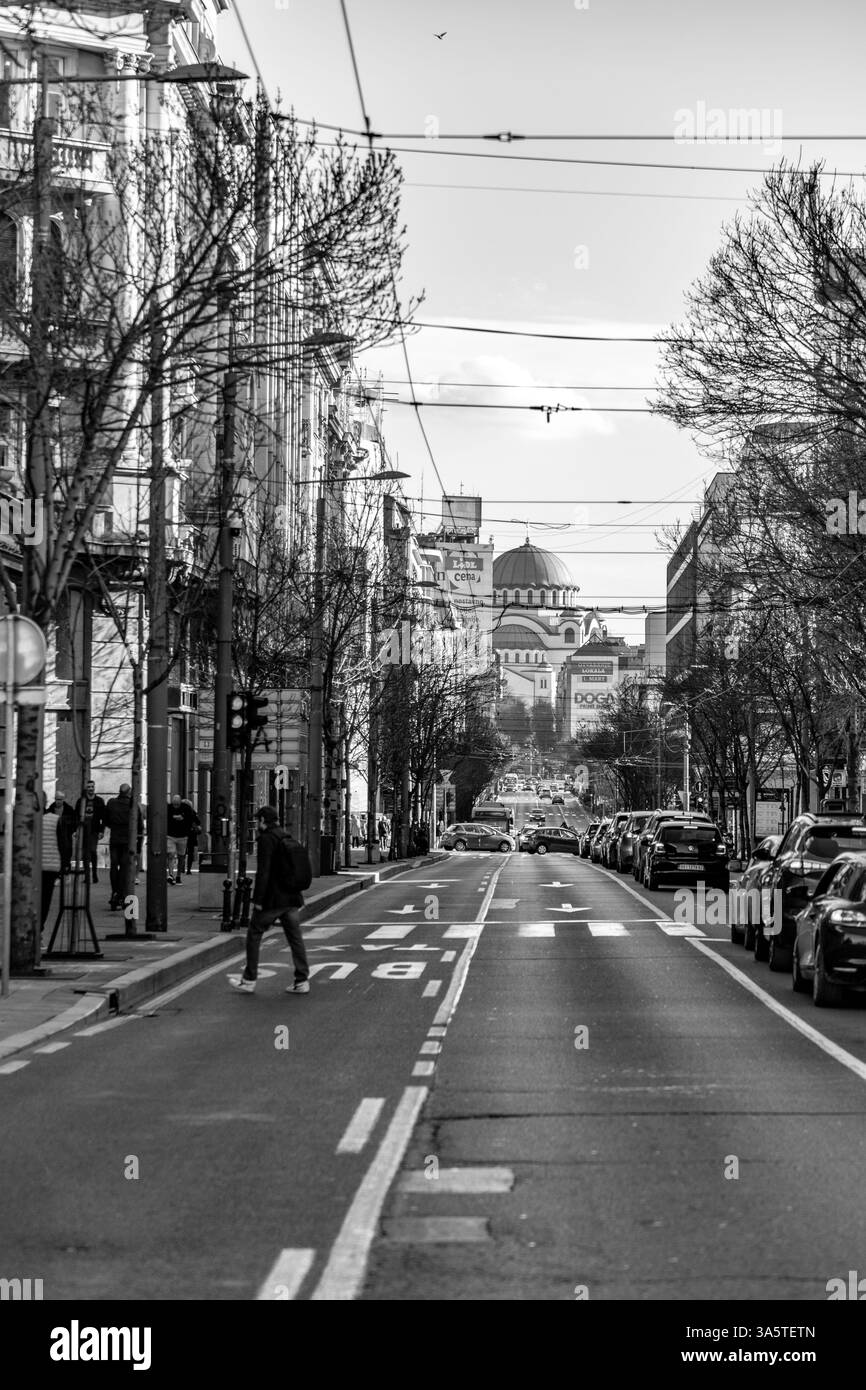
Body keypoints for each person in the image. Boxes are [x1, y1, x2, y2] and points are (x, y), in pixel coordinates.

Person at [228, 806, 311, 995]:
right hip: (292, 897)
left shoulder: (267, 840)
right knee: (295, 938)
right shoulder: (286, 837)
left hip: (274, 899)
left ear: (263, 821)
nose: (257, 823)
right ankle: (302, 980)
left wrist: (257, 900)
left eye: (258, 820)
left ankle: (249, 979)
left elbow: (263, 872)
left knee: (254, 933)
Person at [104, 783, 144, 910]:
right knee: (124, 867)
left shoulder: (111, 803)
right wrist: (138, 843)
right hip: (128, 841)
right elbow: (139, 826)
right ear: (129, 792)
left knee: (114, 866)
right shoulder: (133, 805)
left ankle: (115, 892)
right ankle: (121, 894)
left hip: (115, 838)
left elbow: (106, 821)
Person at [76, 780, 106, 884]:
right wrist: (77, 830)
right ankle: (87, 876)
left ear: (94, 787)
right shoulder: (81, 801)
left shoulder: (99, 801)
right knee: (85, 854)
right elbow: (76, 816)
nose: (91, 788)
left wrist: (101, 831)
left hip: (94, 830)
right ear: (86, 788)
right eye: (89, 787)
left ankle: (94, 874)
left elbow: (103, 818)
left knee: (92, 851)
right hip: (84, 830)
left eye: (92, 786)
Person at [40, 804, 64, 932]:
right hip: (50, 867)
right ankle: (39, 930)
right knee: (45, 901)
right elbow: (62, 843)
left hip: (33, 868)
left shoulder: (25, 818)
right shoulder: (54, 819)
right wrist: (64, 865)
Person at [166, 794, 196, 884]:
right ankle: (170, 874)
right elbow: (165, 819)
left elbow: (191, 819)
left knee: (181, 856)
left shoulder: (186, 808)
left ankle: (178, 875)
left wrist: (183, 819)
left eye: (177, 804)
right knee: (170, 854)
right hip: (170, 835)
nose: (175, 806)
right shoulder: (168, 808)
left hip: (183, 836)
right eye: (174, 804)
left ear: (180, 802)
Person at [47, 791, 76, 872]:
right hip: (54, 836)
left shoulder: (69, 810)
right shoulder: (51, 809)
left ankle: (66, 867)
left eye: (60, 799)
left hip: (66, 836)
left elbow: (74, 822)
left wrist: (71, 831)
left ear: (63, 800)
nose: (58, 801)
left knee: (66, 853)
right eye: (56, 799)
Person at [181, 798, 201, 874]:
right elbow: (198, 822)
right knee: (190, 852)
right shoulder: (193, 812)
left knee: (182, 852)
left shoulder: (180, 812)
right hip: (191, 834)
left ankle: (182, 867)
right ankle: (188, 869)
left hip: (182, 834)